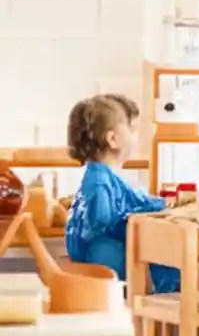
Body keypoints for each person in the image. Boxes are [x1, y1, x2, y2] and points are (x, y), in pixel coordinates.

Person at [65, 94, 179, 292]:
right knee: (165, 253)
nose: (135, 135)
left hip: (105, 248)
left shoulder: (105, 174)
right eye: (131, 128)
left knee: (164, 251)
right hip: (102, 253)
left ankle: (167, 296)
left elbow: (135, 200)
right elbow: (102, 219)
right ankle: (167, 300)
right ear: (113, 139)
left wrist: (161, 204)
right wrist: (134, 220)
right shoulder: (98, 179)